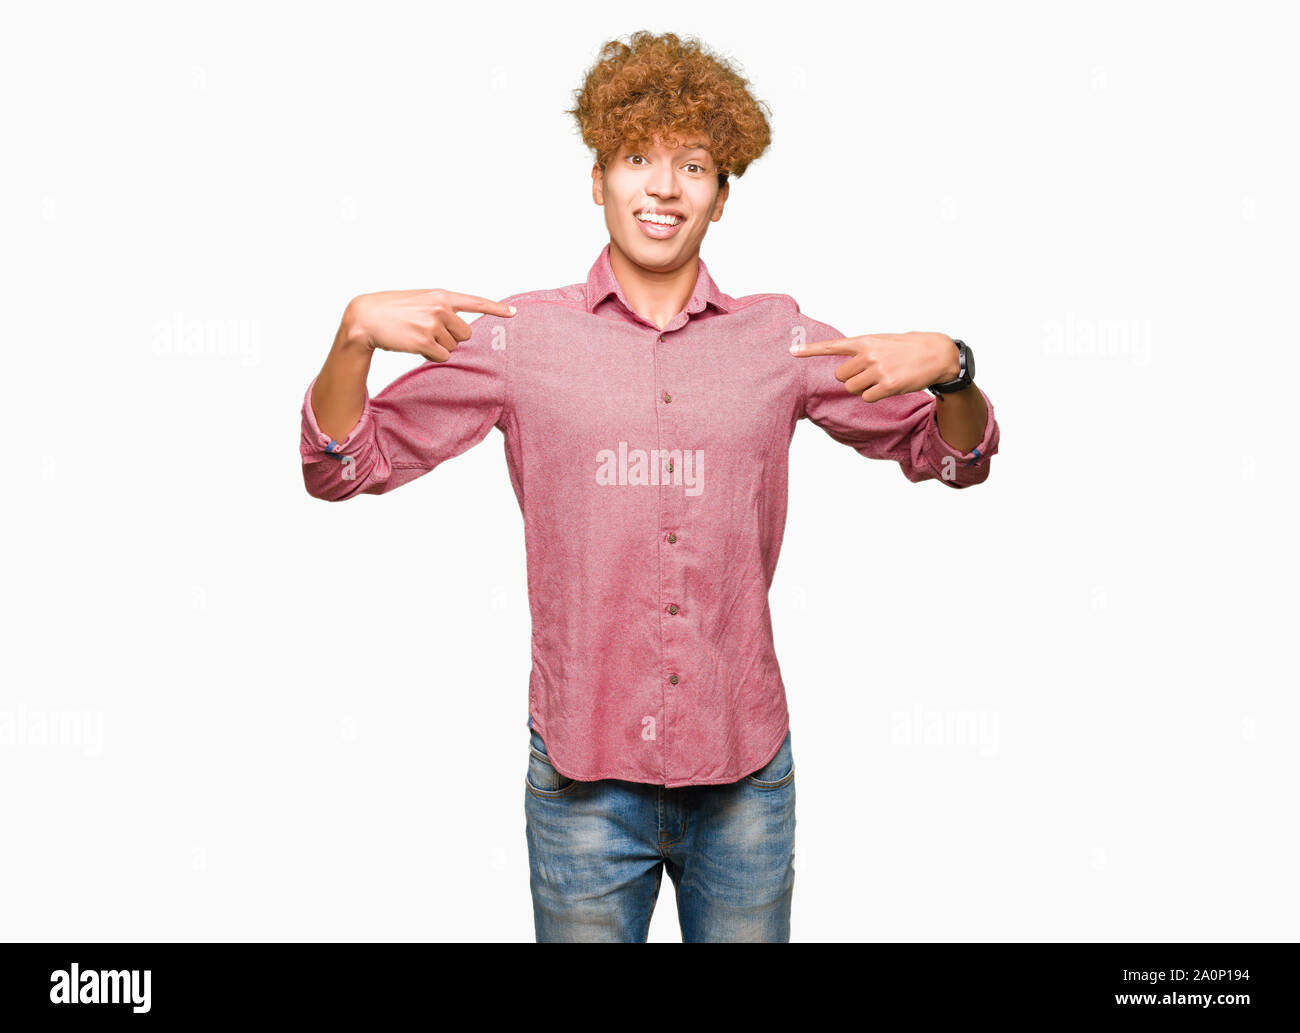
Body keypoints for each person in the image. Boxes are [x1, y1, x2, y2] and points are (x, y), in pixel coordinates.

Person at [298, 30, 1000, 942]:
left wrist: (954, 367)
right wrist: (353, 336)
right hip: (583, 780)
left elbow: (955, 459)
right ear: (597, 178)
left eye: (693, 166)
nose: (663, 188)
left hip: (744, 773)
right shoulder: (521, 340)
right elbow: (341, 466)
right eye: (637, 159)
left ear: (721, 195)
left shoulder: (780, 340)